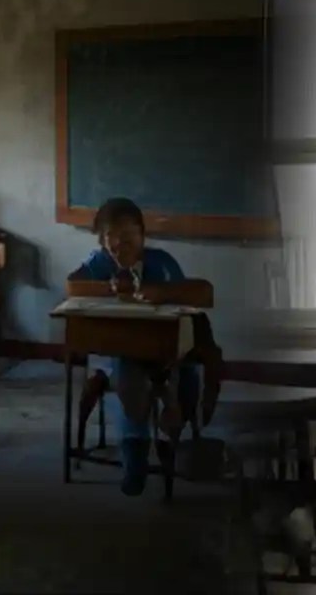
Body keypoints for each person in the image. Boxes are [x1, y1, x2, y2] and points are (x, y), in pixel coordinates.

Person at [67, 197, 203, 496]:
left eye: (128, 236)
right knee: (127, 368)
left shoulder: (161, 262)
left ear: (143, 236)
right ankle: (135, 455)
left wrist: (161, 293)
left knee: (187, 375)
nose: (119, 245)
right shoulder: (100, 262)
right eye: (110, 238)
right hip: (118, 352)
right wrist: (107, 288)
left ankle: (170, 440)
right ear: (101, 240)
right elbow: (73, 284)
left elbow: (189, 295)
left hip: (165, 352)